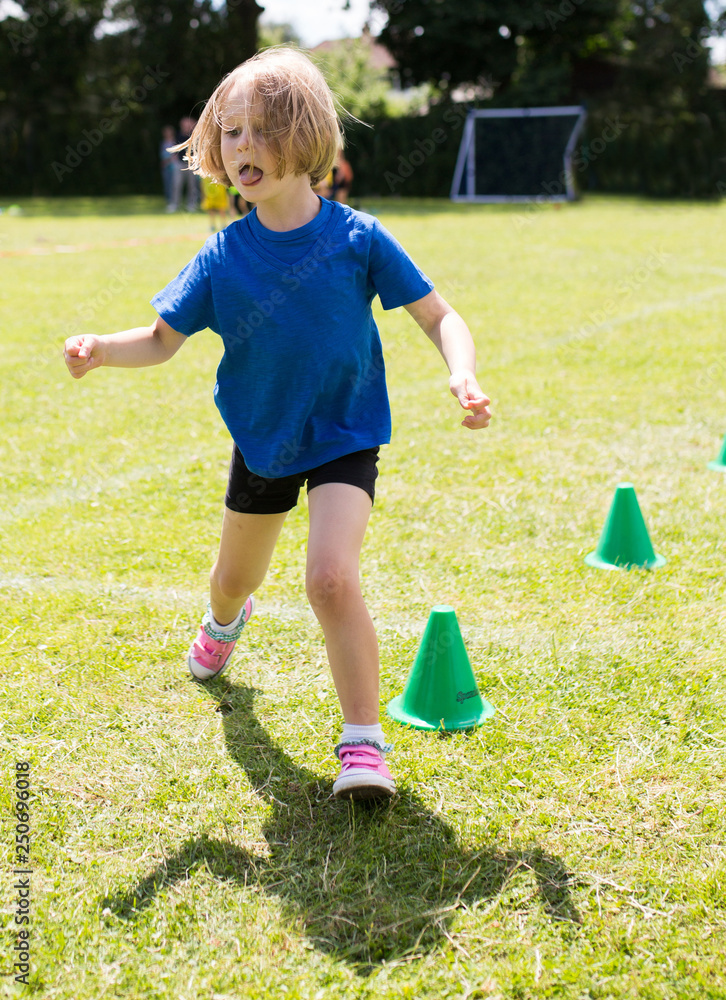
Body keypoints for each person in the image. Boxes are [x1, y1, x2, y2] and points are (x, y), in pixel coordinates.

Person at [63, 47, 491, 802]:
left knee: (330, 577)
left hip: (345, 435)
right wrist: (102, 350)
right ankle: (224, 623)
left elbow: (439, 314)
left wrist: (461, 370)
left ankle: (362, 746)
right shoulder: (223, 256)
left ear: (305, 135)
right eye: (229, 132)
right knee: (234, 578)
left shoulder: (358, 238)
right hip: (263, 441)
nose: (241, 147)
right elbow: (162, 339)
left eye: (260, 129)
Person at [171, 115, 200, 212]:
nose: (187, 126)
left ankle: (191, 205)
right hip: (179, 164)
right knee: (176, 185)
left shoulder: (194, 136)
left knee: (192, 186)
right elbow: (174, 149)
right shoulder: (178, 135)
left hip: (191, 164)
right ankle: (174, 205)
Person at [159, 125, 180, 212]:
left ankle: (174, 202)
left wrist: (169, 160)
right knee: (167, 185)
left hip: (174, 167)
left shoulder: (175, 141)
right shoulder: (163, 143)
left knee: (174, 185)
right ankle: (169, 202)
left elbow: (176, 155)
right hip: (166, 168)